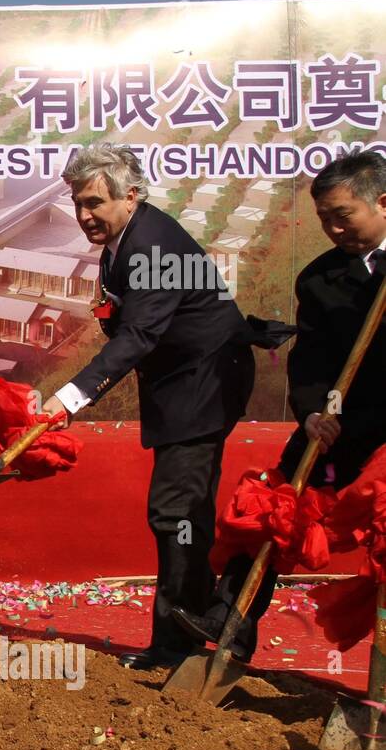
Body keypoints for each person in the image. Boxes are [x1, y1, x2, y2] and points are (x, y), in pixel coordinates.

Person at [41, 144, 278, 671]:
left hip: (206, 381)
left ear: (130, 195)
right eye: (78, 204)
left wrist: (70, 397)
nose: (84, 216)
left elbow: (140, 335)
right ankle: (203, 624)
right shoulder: (128, 236)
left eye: (94, 203)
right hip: (180, 381)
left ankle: (186, 637)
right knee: (181, 513)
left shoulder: (151, 247)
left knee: (176, 511)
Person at [173, 150, 386, 660]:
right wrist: (313, 411)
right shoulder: (319, 279)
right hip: (344, 420)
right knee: (274, 506)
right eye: (325, 219)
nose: (333, 229)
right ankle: (230, 619)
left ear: (382, 202)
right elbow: (311, 361)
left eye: (343, 215)